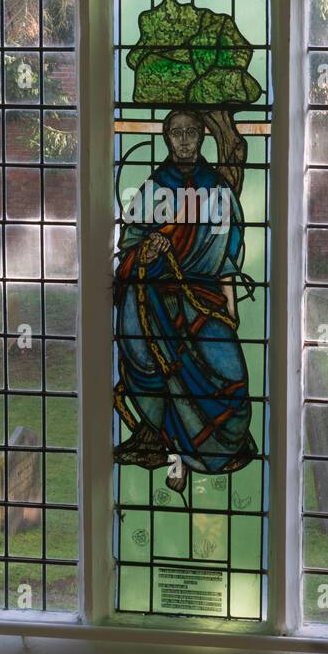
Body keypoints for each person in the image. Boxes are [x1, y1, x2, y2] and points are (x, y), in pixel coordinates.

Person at [114, 108, 257, 489]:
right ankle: (175, 453)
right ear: (166, 139)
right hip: (159, 300)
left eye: (190, 131)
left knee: (231, 376)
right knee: (169, 373)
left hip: (205, 296)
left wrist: (231, 303)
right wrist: (148, 249)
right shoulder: (155, 188)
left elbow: (226, 254)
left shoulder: (217, 190)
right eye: (175, 133)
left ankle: (220, 448)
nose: (183, 139)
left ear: (202, 136)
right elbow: (128, 248)